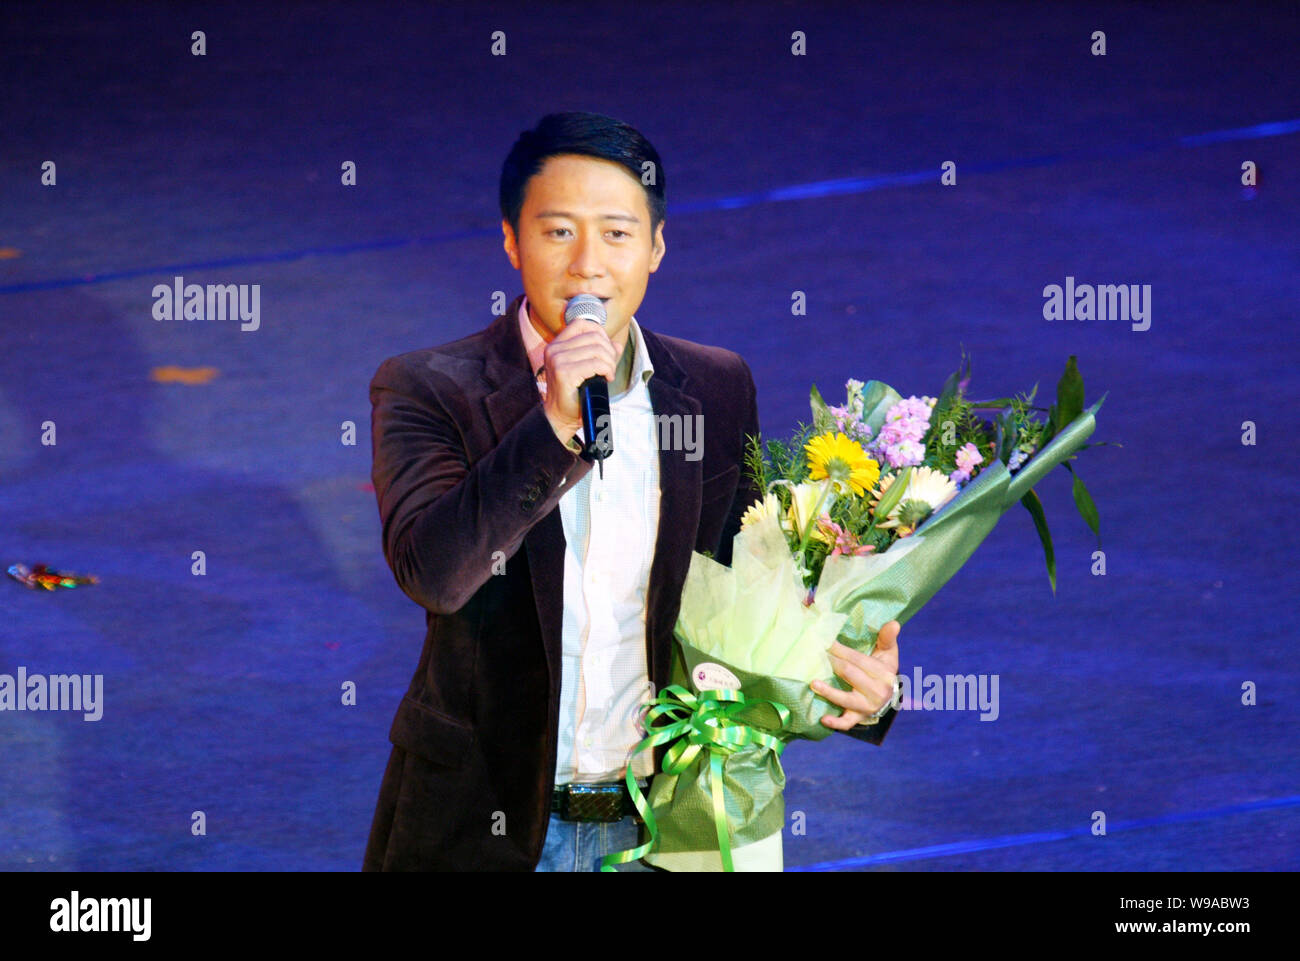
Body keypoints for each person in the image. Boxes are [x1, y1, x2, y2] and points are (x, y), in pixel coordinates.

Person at [361, 112, 902, 872]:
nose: (587, 265)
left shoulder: (714, 388)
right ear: (512, 241)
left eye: (616, 233)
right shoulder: (428, 388)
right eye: (557, 232)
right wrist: (551, 426)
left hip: (664, 831)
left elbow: (746, 594)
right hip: (480, 826)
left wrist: (855, 691)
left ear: (656, 247)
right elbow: (437, 572)